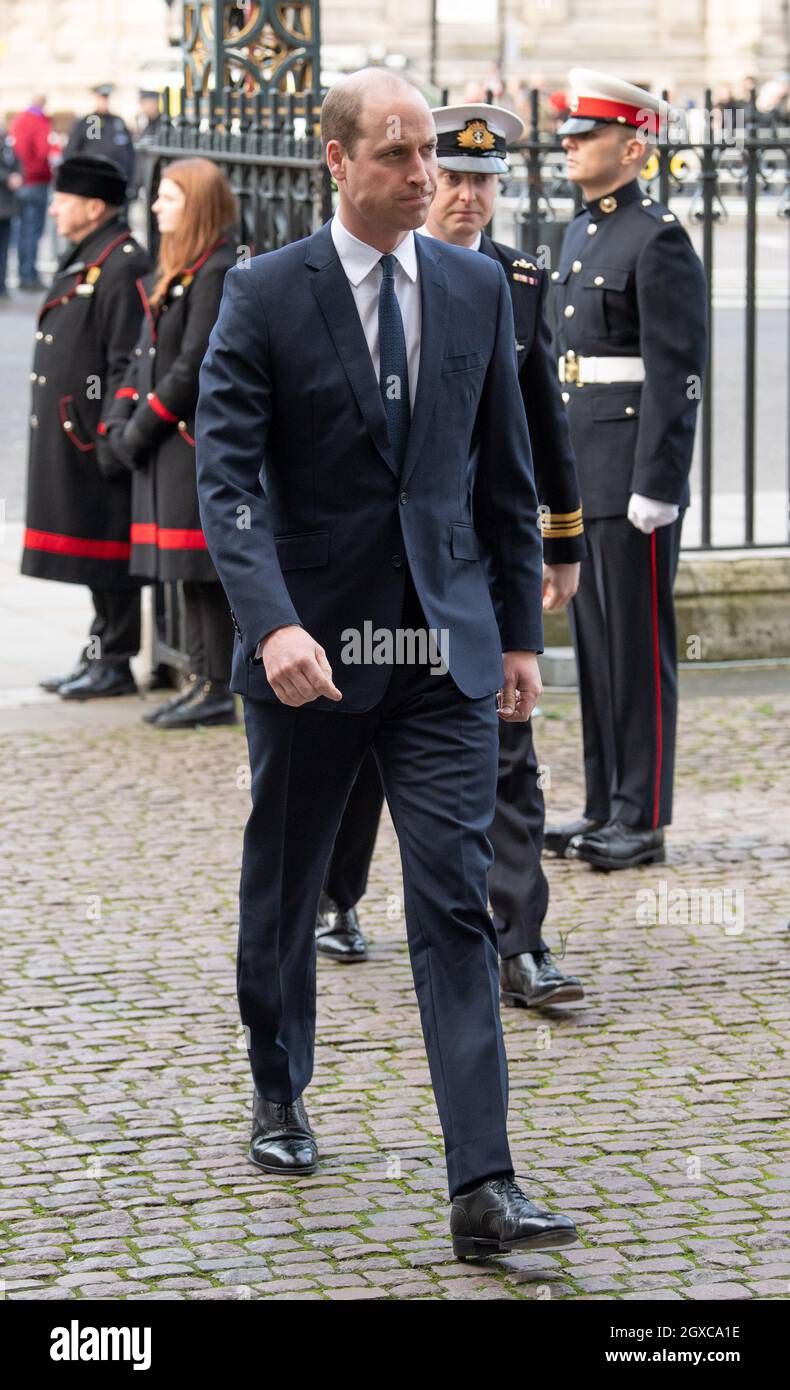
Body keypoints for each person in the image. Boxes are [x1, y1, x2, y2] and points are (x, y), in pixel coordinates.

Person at [195, 67, 580, 1259]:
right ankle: (277, 1085)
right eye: (399, 155)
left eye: (431, 157)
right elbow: (228, 484)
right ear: (336, 162)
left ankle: (484, 1182)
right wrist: (271, 624)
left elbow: (504, 476)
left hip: (442, 654)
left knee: (454, 903)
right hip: (313, 654)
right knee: (286, 882)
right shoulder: (263, 291)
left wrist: (516, 633)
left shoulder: (474, 287)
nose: (425, 177)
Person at [314, 102, 587, 1011]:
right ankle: (336, 894)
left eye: (483, 180)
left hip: (472, 561)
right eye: (454, 176)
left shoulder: (513, 282)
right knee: (355, 748)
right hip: (375, 562)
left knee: (507, 746)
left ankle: (520, 938)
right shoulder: (355, 278)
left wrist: (563, 540)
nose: (466, 194)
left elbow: (538, 424)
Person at [543, 69, 707, 870]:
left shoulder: (658, 236)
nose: (570, 145)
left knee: (637, 648)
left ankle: (640, 816)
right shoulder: (579, 233)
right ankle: (604, 802)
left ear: (634, 146)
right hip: (581, 462)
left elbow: (677, 372)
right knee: (594, 643)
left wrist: (659, 485)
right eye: (570, 134)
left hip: (630, 471)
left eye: (587, 135)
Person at [104, 157, 238, 728]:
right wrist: (123, 415)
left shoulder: (218, 267)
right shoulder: (185, 267)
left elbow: (192, 364)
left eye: (168, 197)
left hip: (192, 440)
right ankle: (201, 680)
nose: (156, 207)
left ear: (198, 204)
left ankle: (217, 689)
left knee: (206, 571)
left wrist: (142, 427)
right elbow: (146, 355)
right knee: (188, 571)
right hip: (171, 446)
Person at [20, 155, 151, 698]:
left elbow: (130, 357)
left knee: (109, 552)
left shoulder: (122, 262)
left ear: (94, 206)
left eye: (63, 199)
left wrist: (107, 431)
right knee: (93, 553)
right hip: (81, 431)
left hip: (99, 435)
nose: (52, 208)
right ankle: (98, 652)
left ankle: (115, 661)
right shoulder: (93, 253)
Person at [9, 95, 54, 290]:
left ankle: (24, 273)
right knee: (32, 231)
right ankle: (28, 275)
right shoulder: (38, 122)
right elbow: (43, 151)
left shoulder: (20, 120)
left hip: (24, 181)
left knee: (23, 230)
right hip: (36, 181)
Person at [64, 85, 136, 200]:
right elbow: (71, 151)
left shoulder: (118, 122)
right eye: (101, 97)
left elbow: (129, 152)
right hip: (93, 181)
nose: (104, 101)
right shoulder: (88, 122)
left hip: (116, 179)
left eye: (106, 98)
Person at [0, 127, 23, 298]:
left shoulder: (7, 143)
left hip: (6, 207)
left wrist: (18, 176)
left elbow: (18, 163)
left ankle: (2, 284)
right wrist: (7, 177)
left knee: (5, 248)